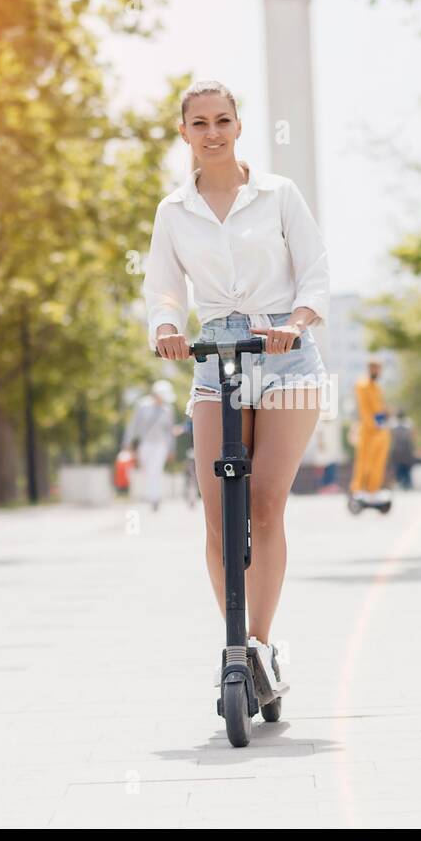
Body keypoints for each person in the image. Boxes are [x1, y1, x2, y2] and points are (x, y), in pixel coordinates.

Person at [145, 80, 329, 692]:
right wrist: (167, 328)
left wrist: (296, 323)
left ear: (239, 126)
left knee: (265, 503)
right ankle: (234, 641)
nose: (213, 133)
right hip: (215, 357)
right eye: (199, 123)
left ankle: (260, 645)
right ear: (184, 132)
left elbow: (315, 270)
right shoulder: (174, 211)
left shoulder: (278, 194)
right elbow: (163, 287)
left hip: (285, 355)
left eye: (223, 120)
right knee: (220, 515)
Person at [122, 380, 177, 511]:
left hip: (161, 444)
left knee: (156, 469)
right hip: (145, 443)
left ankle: (155, 498)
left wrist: (171, 449)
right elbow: (133, 425)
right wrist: (127, 442)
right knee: (147, 470)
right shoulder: (143, 406)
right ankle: (151, 494)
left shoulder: (168, 409)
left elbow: (170, 431)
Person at [350, 360, 391, 497]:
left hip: (381, 431)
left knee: (378, 463)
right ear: (370, 369)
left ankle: (373, 490)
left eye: (379, 369)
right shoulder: (362, 386)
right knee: (364, 462)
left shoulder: (378, 388)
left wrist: (386, 414)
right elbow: (364, 410)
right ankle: (358, 489)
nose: (377, 372)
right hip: (368, 431)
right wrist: (373, 425)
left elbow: (380, 408)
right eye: (375, 369)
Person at [390, 411, 416, 490]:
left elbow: (391, 436)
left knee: (400, 468)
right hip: (406, 450)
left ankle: (403, 483)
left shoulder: (393, 425)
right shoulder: (408, 425)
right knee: (405, 468)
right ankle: (406, 483)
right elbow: (412, 436)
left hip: (398, 450)